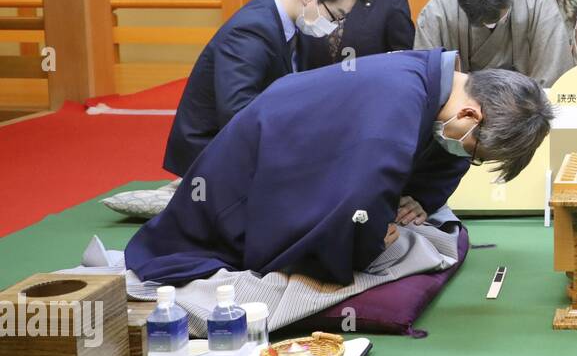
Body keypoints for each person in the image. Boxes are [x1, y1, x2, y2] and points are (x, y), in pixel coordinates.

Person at [127, 50, 553, 287]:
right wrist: (372, 238)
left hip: (292, 142)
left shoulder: (439, 80)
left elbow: (443, 157)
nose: (469, 157)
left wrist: (419, 202)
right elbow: (357, 198)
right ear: (471, 114)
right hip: (250, 171)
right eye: (477, 150)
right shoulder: (397, 107)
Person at [162, 0, 369, 178]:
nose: (335, 26)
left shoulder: (289, 18)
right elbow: (237, 113)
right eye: (336, 16)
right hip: (210, 154)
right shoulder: (250, 32)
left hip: (253, 140)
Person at [415, 0, 573, 88]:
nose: (487, 25)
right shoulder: (438, 9)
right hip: (460, 112)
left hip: (528, 110)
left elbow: (552, 75)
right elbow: (428, 79)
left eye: (495, 19)